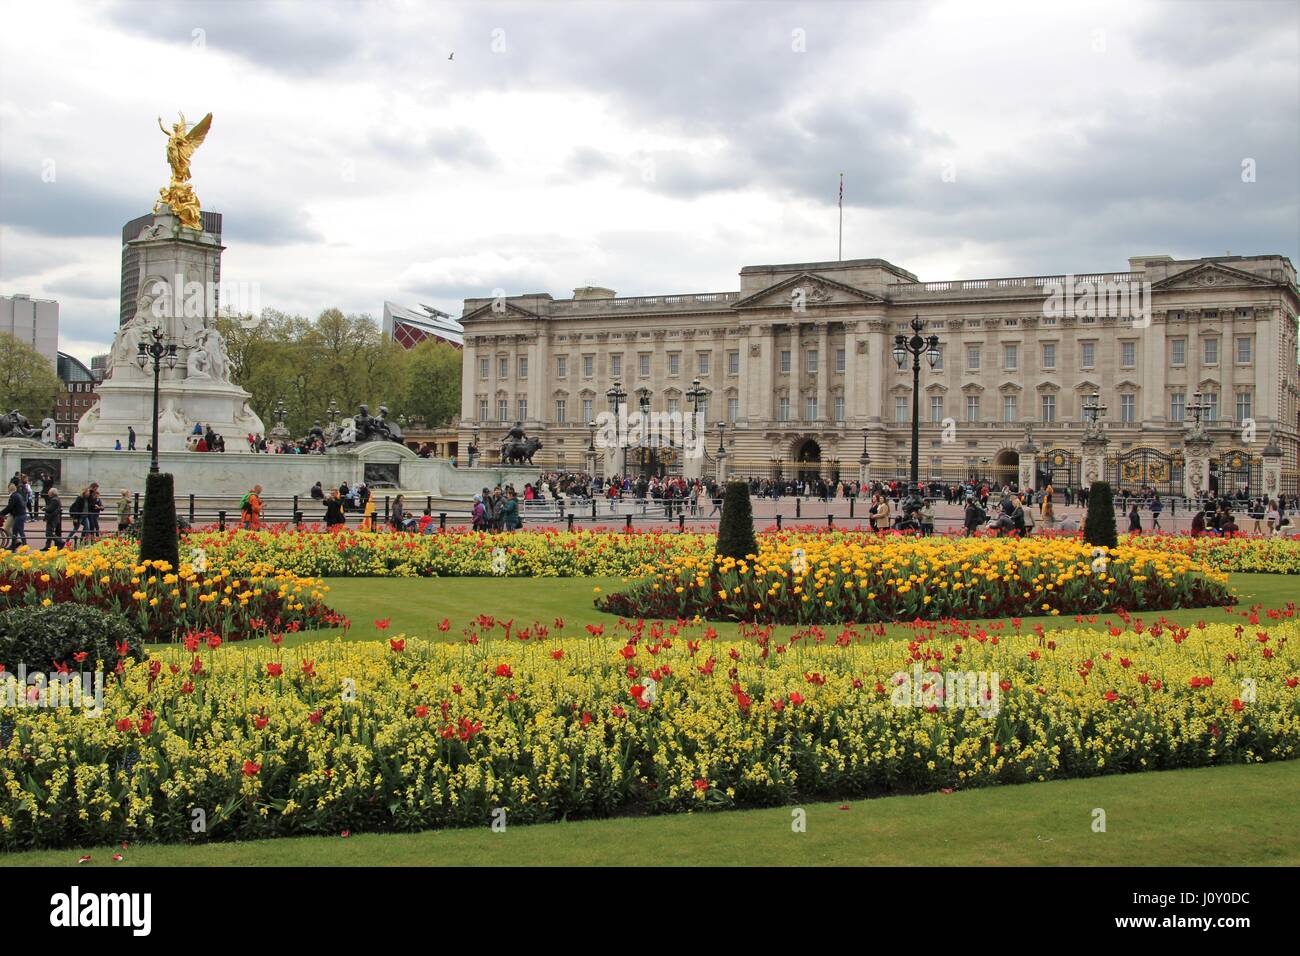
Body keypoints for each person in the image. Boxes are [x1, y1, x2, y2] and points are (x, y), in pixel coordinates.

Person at [1, 479, 26, 547]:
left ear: (9, 489)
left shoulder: (14, 496)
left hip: (18, 515)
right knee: (15, 530)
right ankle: (14, 545)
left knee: (20, 531)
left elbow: (10, 507)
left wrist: (1, 513)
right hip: (17, 514)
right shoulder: (17, 495)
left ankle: (24, 545)